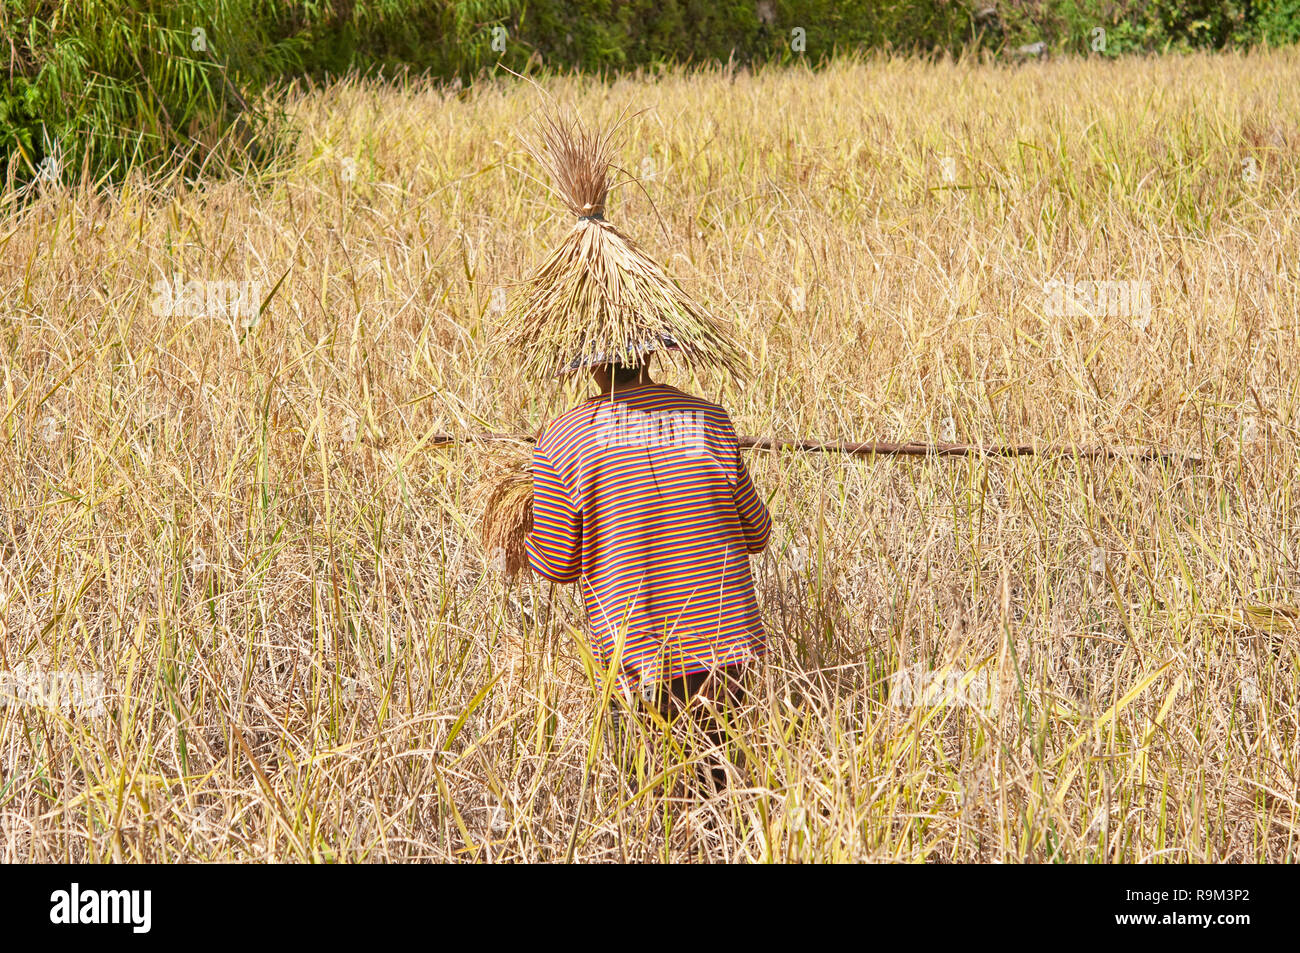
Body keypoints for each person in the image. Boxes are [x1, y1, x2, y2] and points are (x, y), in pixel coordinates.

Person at [525, 350, 771, 791]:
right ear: (650, 352)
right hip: (729, 645)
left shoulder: (566, 436)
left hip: (640, 653)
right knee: (722, 787)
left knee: (653, 794)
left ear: (589, 363)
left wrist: (524, 525)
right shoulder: (710, 418)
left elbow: (556, 562)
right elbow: (757, 534)